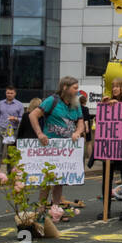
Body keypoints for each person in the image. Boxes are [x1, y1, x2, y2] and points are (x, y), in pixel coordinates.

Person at [29, 77, 86, 211]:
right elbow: (33, 115)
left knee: (60, 180)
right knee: (47, 179)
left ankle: (55, 208)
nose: (77, 91)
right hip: (50, 146)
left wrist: (78, 132)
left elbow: (81, 122)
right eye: (75, 88)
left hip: (66, 147)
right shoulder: (52, 101)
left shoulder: (75, 103)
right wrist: (39, 133)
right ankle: (41, 208)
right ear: (65, 88)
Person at [96, 77, 122, 221]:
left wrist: (117, 105)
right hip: (110, 145)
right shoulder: (108, 102)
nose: (114, 89)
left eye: (117, 86)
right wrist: (104, 106)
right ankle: (106, 208)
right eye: (113, 86)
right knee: (107, 177)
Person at [0, 87, 24, 174]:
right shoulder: (1, 103)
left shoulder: (19, 105)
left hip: (12, 130)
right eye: (8, 93)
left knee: (10, 153)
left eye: (11, 93)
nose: (9, 94)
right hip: (0, 128)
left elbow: (22, 118)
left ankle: (9, 172)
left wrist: (15, 118)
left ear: (15, 93)